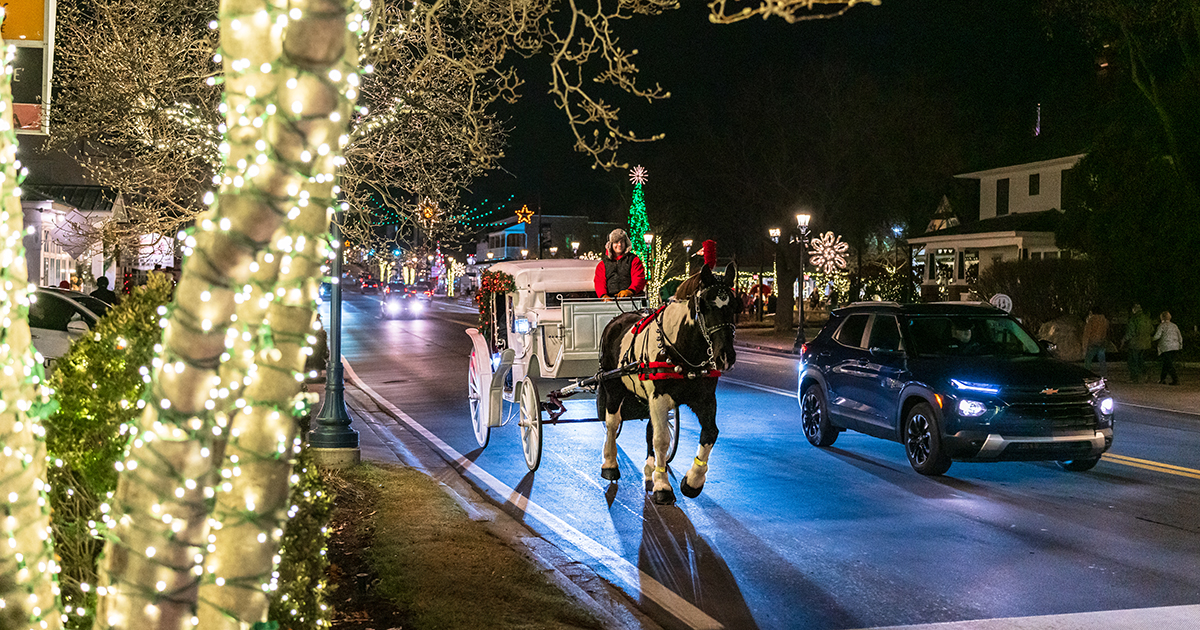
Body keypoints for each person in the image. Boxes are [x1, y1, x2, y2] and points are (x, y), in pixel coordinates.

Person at [593, 228, 646, 300]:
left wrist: (630, 291)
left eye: (622, 242)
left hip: (631, 299)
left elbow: (639, 278)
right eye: (616, 242)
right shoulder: (602, 264)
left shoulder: (634, 260)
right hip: (610, 300)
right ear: (611, 244)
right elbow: (599, 282)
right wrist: (603, 296)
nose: (619, 244)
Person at [1121, 304, 1154, 383]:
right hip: (1146, 344)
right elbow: (1152, 330)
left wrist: (1124, 339)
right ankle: (1146, 373)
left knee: (1133, 361)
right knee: (1140, 360)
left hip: (1135, 343)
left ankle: (1134, 378)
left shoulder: (1134, 319)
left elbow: (1131, 332)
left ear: (1134, 310)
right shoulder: (1147, 319)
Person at [1153, 310, 1182, 385]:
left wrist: (1151, 339)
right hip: (1175, 346)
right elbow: (1179, 336)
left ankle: (1175, 379)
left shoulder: (1162, 326)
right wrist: (1180, 345)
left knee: (1168, 364)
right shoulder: (1174, 326)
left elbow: (1157, 336)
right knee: (1166, 363)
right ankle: (1162, 379)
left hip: (1166, 347)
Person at [1081, 306, 1109, 376]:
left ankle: (1086, 374)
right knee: (1102, 360)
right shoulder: (1105, 321)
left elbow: (1087, 334)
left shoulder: (1091, 321)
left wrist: (1084, 346)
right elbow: (1105, 333)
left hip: (1092, 343)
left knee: (1088, 360)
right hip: (1101, 343)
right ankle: (1104, 375)